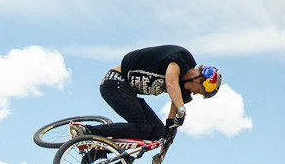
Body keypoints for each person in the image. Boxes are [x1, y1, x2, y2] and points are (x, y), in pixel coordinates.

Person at [70, 45, 220, 142]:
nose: (194, 93)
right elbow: (171, 82)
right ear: (199, 79)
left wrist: (167, 136)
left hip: (129, 92)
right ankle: (87, 130)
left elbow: (172, 116)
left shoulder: (183, 88)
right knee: (142, 128)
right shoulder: (183, 59)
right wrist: (182, 110)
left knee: (157, 131)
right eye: (199, 91)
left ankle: (98, 153)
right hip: (114, 82)